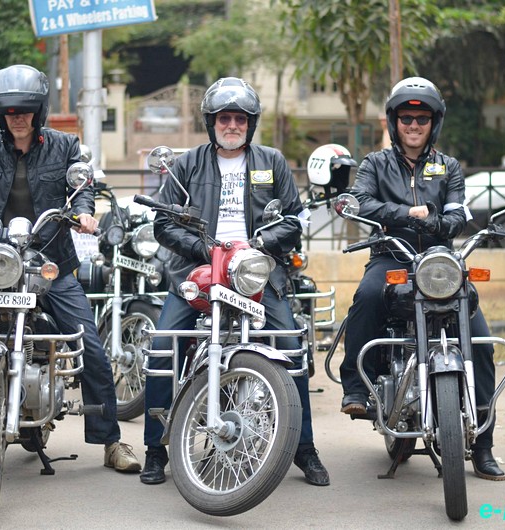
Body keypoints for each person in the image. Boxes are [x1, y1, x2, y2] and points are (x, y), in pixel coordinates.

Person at [0, 64, 140, 474]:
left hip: (52, 262)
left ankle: (112, 442)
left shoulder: (64, 144)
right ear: (0, 114)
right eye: (9, 111)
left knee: (88, 344)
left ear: (39, 110)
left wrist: (85, 214)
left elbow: (81, 188)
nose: (17, 116)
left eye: (25, 109)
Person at [140, 77, 329, 487]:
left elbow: (294, 220)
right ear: (211, 123)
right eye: (224, 118)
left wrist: (258, 246)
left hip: (257, 273)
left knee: (291, 348)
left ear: (251, 123)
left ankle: (304, 448)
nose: (232, 125)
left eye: (239, 119)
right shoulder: (187, 163)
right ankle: (156, 450)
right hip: (197, 271)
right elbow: (163, 224)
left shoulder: (272, 162)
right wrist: (203, 250)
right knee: (162, 349)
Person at [338, 76, 505, 481]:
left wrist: (437, 221)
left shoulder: (448, 167)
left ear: (435, 122)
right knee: (367, 295)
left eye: (422, 118)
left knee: (480, 342)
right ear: (395, 121)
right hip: (391, 255)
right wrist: (407, 214)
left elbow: (456, 213)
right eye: (407, 117)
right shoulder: (375, 164)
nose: (414, 125)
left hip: (439, 262)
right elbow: (362, 202)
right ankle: (356, 390)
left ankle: (483, 445)